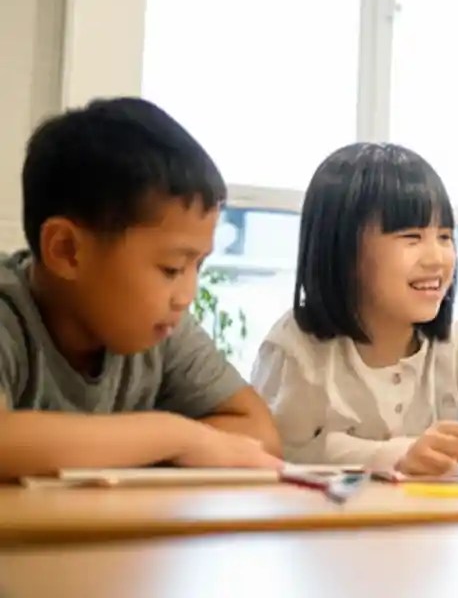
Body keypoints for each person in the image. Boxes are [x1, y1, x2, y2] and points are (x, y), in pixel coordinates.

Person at [252, 143, 458, 476]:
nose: (436, 258)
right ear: (341, 248)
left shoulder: (455, 344)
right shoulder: (296, 349)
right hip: (331, 526)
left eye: (445, 236)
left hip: (433, 525)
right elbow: (279, 452)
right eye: (411, 236)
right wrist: (391, 455)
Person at [0, 98, 281, 479]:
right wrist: (174, 435)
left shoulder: (161, 329)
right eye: (171, 268)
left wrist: (177, 443)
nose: (187, 295)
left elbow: (258, 433)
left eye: (198, 266)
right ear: (66, 250)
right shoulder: (8, 314)